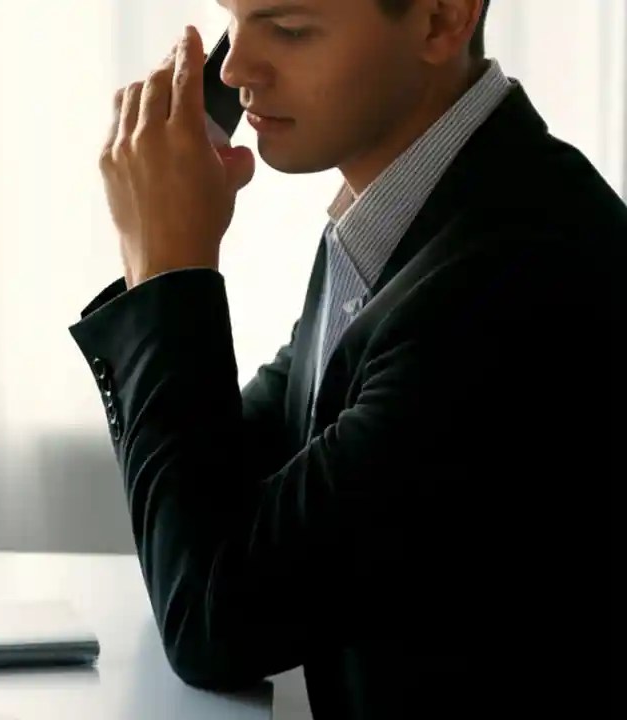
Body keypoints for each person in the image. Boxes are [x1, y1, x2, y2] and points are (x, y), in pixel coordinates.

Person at [68, 1, 622, 718]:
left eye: (289, 29)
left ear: (440, 19)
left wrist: (168, 265)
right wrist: (161, 246)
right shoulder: (407, 222)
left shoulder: (514, 278)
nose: (233, 70)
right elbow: (217, 503)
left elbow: (214, 618)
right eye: (235, 21)